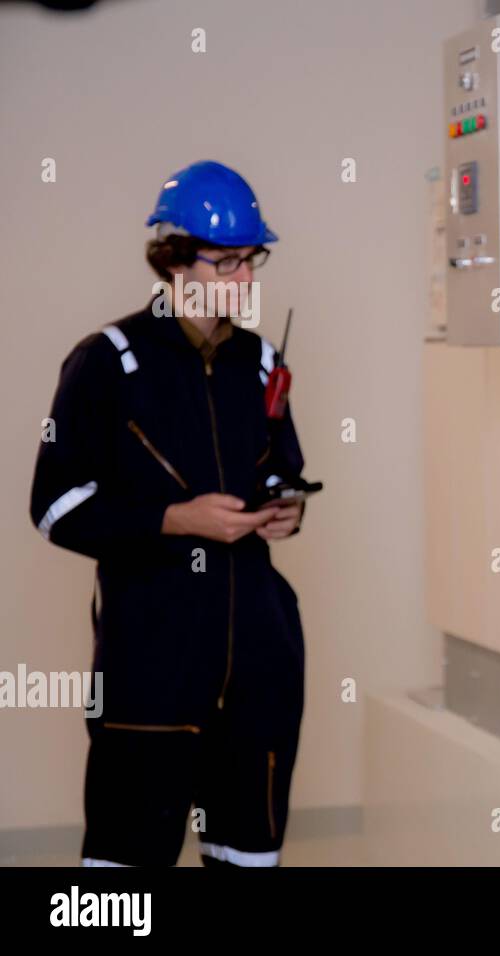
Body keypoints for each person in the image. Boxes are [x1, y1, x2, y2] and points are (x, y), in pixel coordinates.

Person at [30, 160, 310, 867]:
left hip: (258, 653)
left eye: (253, 260)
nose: (246, 280)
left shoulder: (259, 361)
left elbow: (282, 471)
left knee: (248, 852)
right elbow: (56, 507)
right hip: (150, 660)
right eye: (226, 263)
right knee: (127, 866)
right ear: (173, 261)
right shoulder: (107, 361)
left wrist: (284, 510)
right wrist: (172, 520)